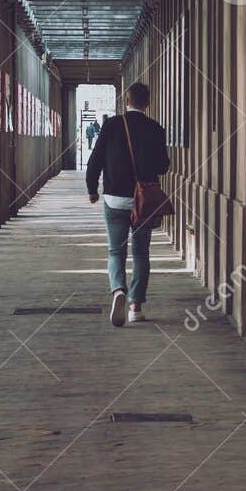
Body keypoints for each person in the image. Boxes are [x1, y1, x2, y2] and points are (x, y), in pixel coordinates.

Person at [86, 81, 169, 326]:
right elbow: (164, 166)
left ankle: (118, 290)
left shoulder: (111, 125)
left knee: (115, 250)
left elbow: (95, 161)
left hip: (114, 199)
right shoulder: (155, 128)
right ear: (148, 103)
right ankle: (135, 306)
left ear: (126, 101)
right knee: (141, 252)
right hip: (143, 202)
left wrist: (92, 189)